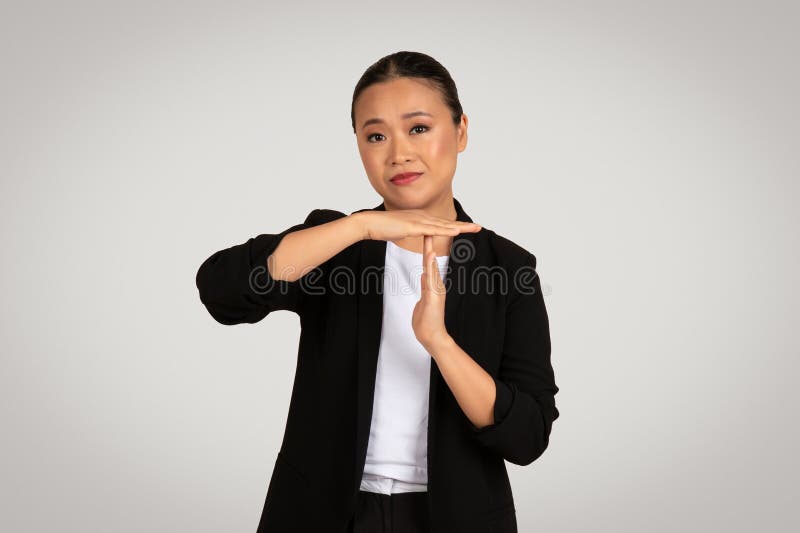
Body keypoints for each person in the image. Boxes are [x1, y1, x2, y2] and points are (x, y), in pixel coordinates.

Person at [195, 50, 559, 533]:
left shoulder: (509, 268)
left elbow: (528, 436)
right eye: (376, 136)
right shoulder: (336, 246)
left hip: (453, 517)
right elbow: (221, 290)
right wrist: (362, 226)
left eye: (419, 128)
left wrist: (440, 343)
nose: (398, 153)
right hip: (324, 513)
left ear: (462, 131)